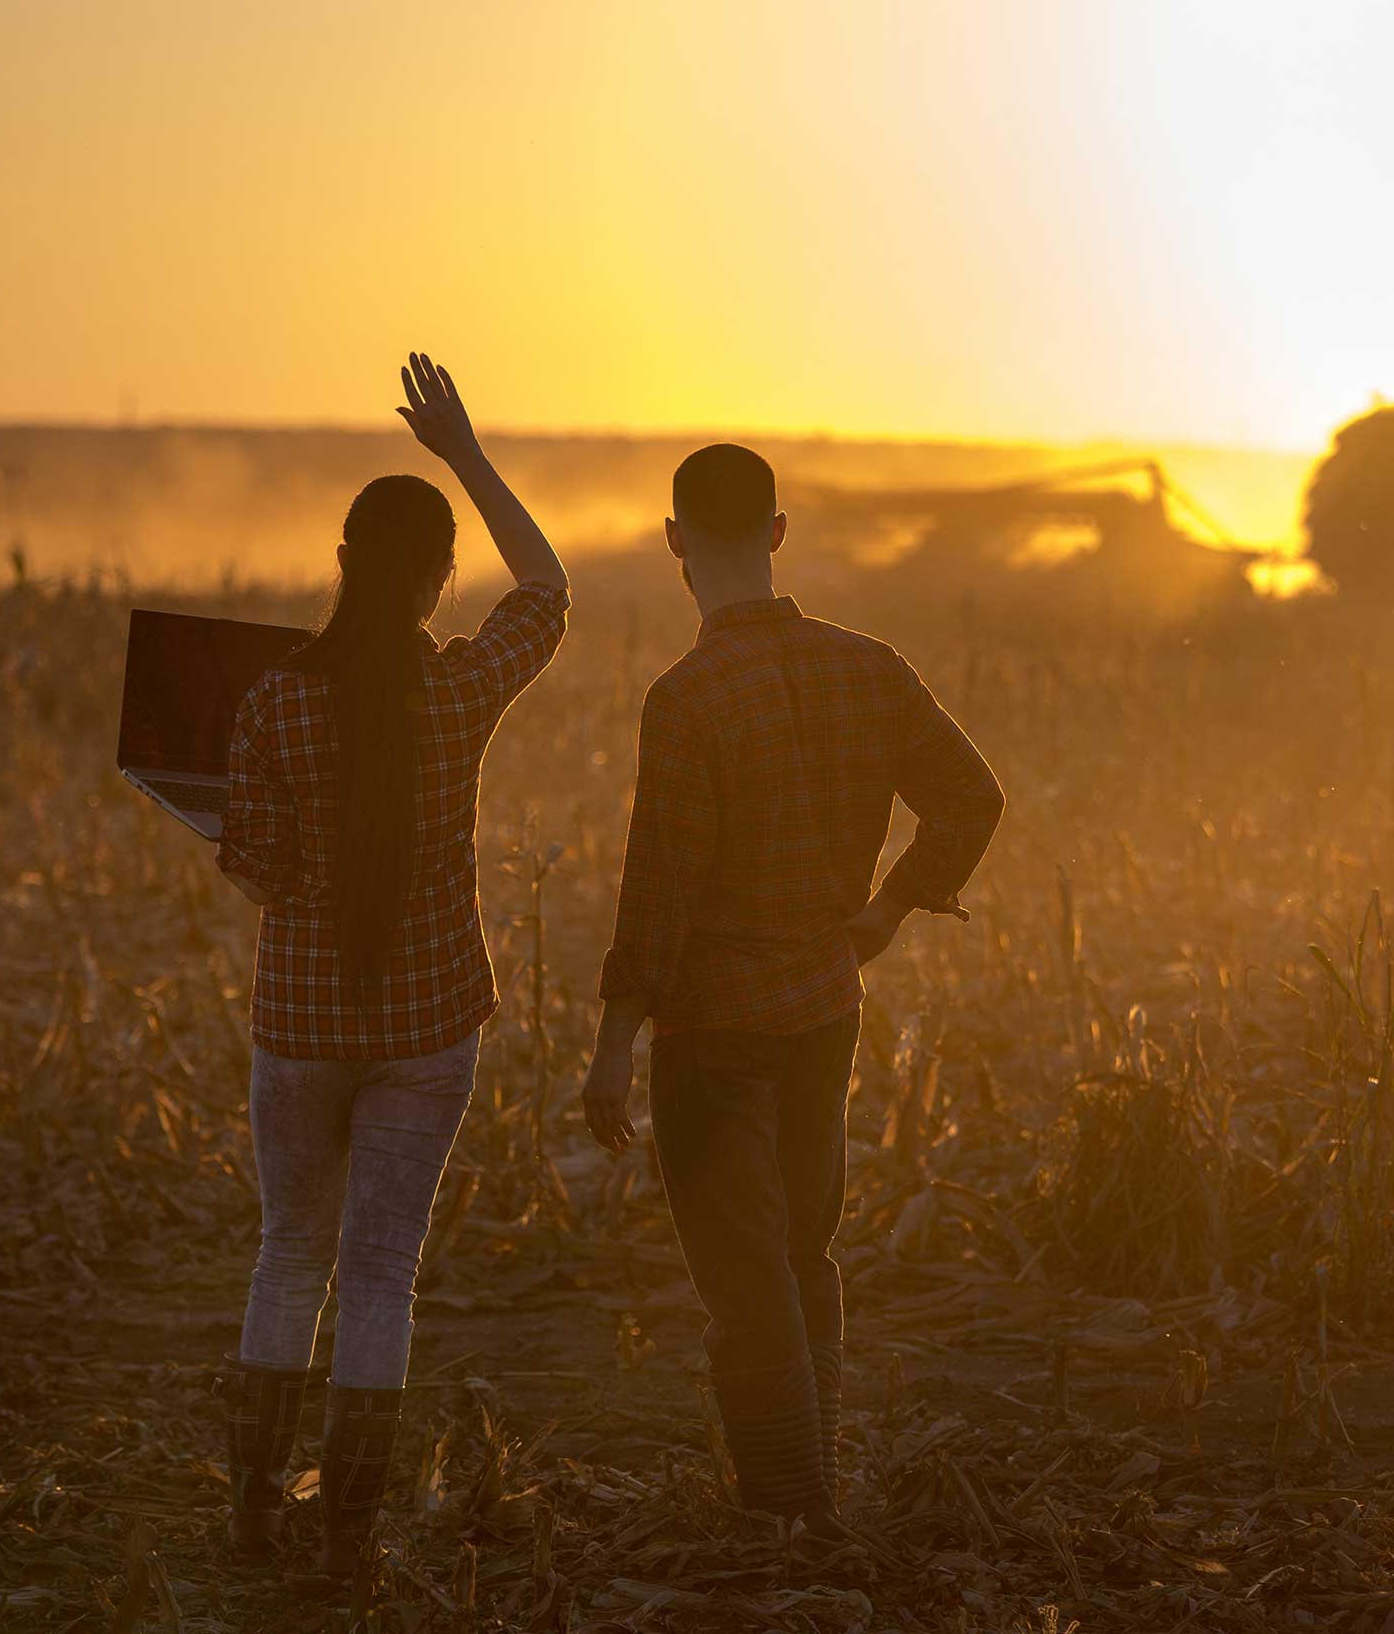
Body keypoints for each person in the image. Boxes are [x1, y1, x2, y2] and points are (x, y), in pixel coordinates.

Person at [582, 443, 1004, 1540]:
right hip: (826, 1009)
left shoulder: (687, 698)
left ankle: (787, 1502)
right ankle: (812, 1488)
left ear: (674, 543)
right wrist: (889, 910)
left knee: (742, 1276)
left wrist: (615, 1044)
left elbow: (659, 891)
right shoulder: (870, 667)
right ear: (779, 532)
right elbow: (971, 798)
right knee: (804, 1252)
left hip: (714, 1028)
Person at [213, 355, 568, 1578]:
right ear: (433, 581)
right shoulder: (460, 689)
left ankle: (255, 1514)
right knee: (379, 1276)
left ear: (343, 565)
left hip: (299, 1026)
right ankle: (346, 1539)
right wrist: (463, 453)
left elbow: (252, 869)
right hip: (429, 1025)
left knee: (289, 1255)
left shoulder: (270, 705)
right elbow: (552, 588)